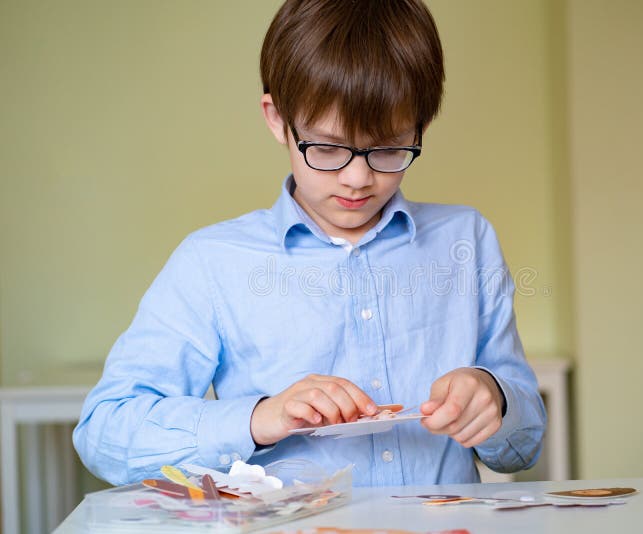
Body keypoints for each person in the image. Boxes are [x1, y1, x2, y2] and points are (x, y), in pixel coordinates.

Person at [73, 0, 546, 487]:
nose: (358, 179)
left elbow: (523, 447)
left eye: (388, 148)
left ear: (422, 127)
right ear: (278, 119)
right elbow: (104, 432)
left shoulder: (466, 241)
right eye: (326, 148)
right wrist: (258, 419)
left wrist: (496, 399)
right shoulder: (212, 263)